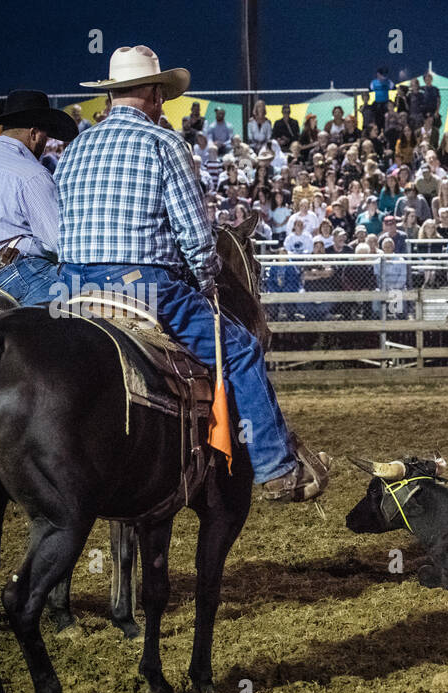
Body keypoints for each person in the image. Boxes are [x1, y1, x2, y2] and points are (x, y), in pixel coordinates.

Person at [57, 44, 329, 502]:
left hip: (71, 286)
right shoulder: (163, 144)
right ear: (155, 93)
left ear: (110, 95)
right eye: (161, 90)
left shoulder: (77, 146)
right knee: (240, 349)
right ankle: (276, 465)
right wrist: (205, 283)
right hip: (141, 286)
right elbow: (196, 234)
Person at [0, 90, 78, 305]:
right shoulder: (33, 174)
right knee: (88, 303)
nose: (45, 144)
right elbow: (57, 243)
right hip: (20, 274)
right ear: (35, 133)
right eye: (46, 137)